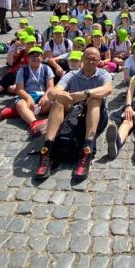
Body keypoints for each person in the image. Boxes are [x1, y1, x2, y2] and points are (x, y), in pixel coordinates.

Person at [34, 47, 114, 181]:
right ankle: (47, 148)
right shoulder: (72, 74)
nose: (91, 62)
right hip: (75, 115)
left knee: (94, 98)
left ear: (99, 61)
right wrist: (63, 94)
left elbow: (108, 89)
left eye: (95, 59)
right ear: (82, 59)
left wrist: (85, 94)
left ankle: (88, 147)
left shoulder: (103, 74)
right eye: (88, 58)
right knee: (59, 100)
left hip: (97, 116)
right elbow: (52, 93)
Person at [0, 46, 55, 137]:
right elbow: (19, 89)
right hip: (27, 94)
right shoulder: (22, 70)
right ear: (28, 58)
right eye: (32, 56)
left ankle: (20, 112)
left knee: (52, 103)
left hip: (42, 95)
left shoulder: (46, 69)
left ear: (42, 58)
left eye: (38, 55)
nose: (35, 58)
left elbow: (50, 87)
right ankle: (34, 123)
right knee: (21, 104)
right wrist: (28, 98)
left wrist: (45, 96)